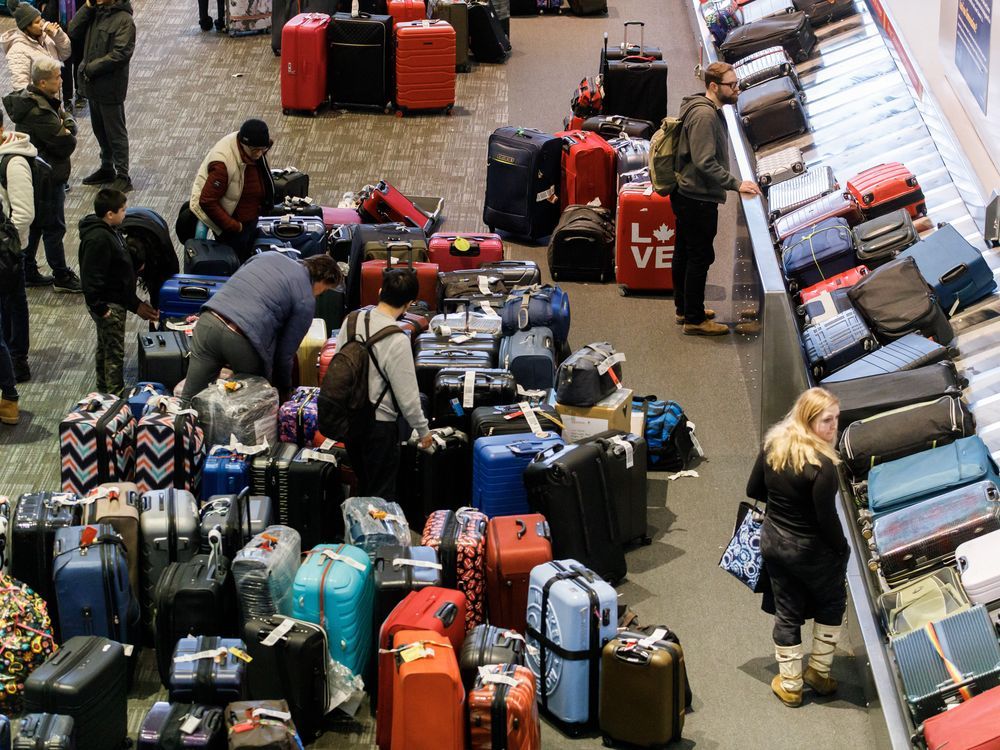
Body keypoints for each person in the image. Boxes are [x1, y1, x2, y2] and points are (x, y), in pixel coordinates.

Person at [746, 387, 848, 708]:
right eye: (827, 420)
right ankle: (818, 672)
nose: (834, 426)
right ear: (808, 419)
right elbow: (826, 518)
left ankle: (790, 685)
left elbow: (753, 488)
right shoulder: (822, 466)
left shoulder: (773, 444)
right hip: (811, 551)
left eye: (836, 418)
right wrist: (842, 549)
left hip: (775, 543)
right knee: (832, 603)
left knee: (787, 612)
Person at [673, 61, 762, 336]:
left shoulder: (702, 108)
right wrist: (736, 184)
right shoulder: (705, 116)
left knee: (685, 253)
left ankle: (685, 308)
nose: (737, 89)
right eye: (731, 85)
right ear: (714, 86)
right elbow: (704, 162)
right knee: (699, 257)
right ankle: (694, 320)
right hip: (697, 197)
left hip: (687, 194)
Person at [180, 252, 341, 401]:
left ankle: (184, 421)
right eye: (324, 290)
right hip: (242, 338)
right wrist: (284, 391)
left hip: (209, 320)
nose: (319, 295)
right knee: (254, 407)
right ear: (324, 281)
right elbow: (284, 356)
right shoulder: (306, 299)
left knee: (191, 399)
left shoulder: (269, 256)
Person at [336, 270, 433, 501]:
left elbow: (339, 365)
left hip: (349, 420)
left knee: (363, 484)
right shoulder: (397, 339)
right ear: (409, 304)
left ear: (380, 292)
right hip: (379, 426)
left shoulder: (351, 320)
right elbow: (407, 397)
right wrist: (423, 431)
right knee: (381, 496)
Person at [4, 57, 83, 292]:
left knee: (37, 225)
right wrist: (67, 123)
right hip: (47, 176)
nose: (61, 81)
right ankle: (61, 276)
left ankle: (28, 270)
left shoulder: (39, 101)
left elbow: (65, 122)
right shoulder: (39, 110)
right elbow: (66, 143)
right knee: (53, 227)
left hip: (40, 173)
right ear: (42, 83)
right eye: (57, 78)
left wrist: (64, 121)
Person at [79, 188, 158, 395]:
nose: (125, 213)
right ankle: (115, 396)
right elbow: (91, 278)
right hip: (108, 304)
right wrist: (101, 308)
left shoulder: (110, 231)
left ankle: (104, 391)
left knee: (105, 347)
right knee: (114, 353)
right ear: (110, 214)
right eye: (122, 210)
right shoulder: (98, 239)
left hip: (114, 300)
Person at [67, 0, 135, 193]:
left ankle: (123, 175)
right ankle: (107, 167)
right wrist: (87, 6)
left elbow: (121, 53)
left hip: (110, 86)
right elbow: (73, 30)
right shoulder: (94, 12)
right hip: (92, 85)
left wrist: (91, 68)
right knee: (100, 130)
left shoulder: (124, 20)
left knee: (115, 132)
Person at [189, 119, 275, 263]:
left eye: (262, 149)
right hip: (232, 226)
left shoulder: (255, 149)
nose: (259, 154)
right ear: (244, 144)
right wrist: (233, 226)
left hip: (251, 218)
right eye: (255, 150)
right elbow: (207, 201)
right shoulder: (223, 164)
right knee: (236, 263)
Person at [0, 110, 36, 386]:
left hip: (9, 251)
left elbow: (24, 213)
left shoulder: (14, 162)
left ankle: (17, 361)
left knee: (13, 304)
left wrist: (5, 241)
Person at [0, 0, 71, 94]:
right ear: (26, 27)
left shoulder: (45, 37)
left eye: (41, 19)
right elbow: (21, 87)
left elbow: (65, 54)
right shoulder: (17, 51)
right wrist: (40, 101)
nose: (42, 24)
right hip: (41, 101)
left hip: (53, 98)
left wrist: (58, 35)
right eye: (37, 22)